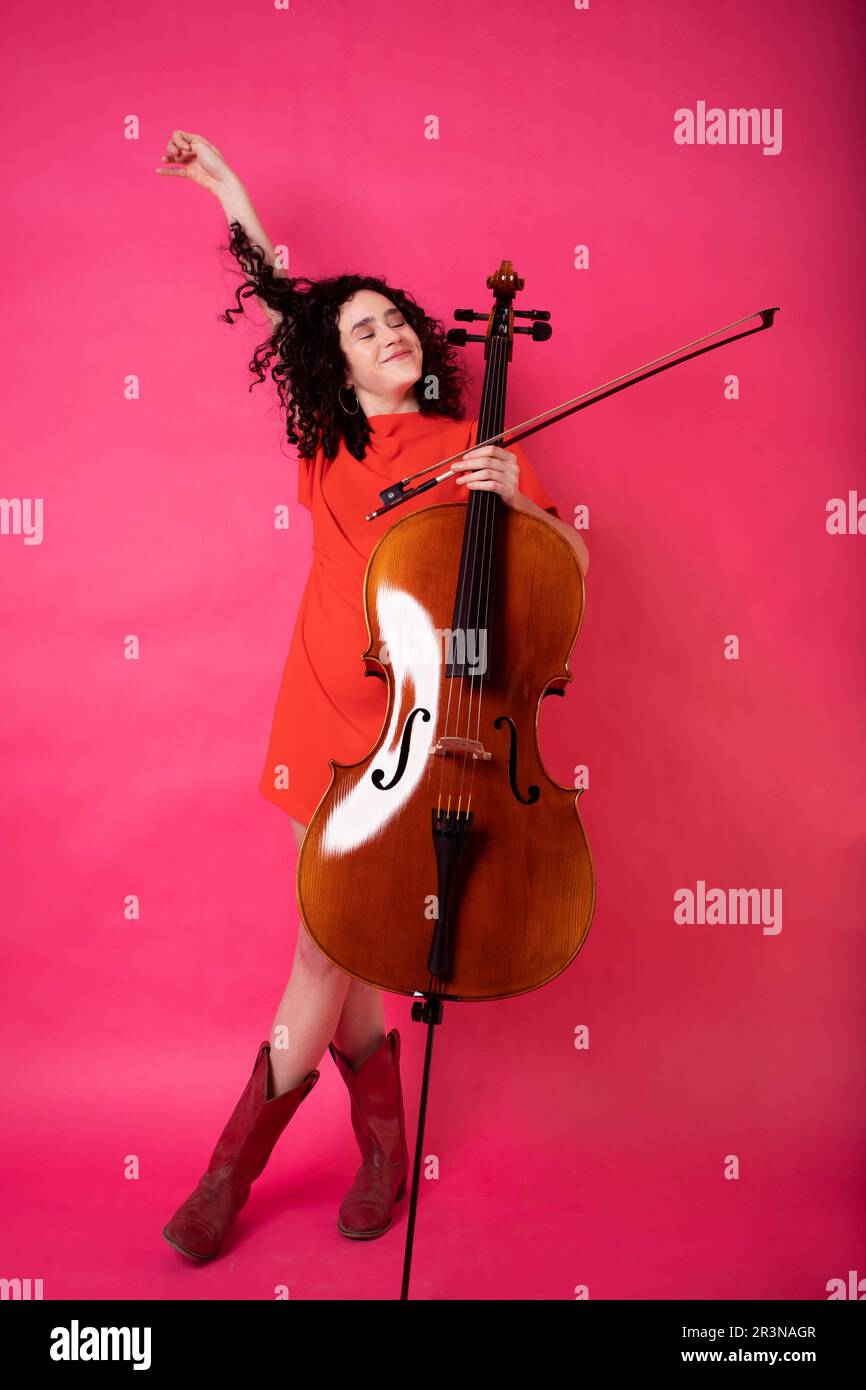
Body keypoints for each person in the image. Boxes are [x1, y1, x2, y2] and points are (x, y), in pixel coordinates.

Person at [155, 131, 590, 1262]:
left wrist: (522, 504)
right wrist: (227, 190)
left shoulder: (476, 443)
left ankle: (225, 1179)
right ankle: (385, 1150)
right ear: (335, 367)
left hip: (425, 731)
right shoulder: (326, 444)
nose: (389, 333)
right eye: (362, 330)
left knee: (320, 949)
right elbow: (274, 299)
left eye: (394, 320)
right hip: (323, 720)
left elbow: (559, 583)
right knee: (334, 944)